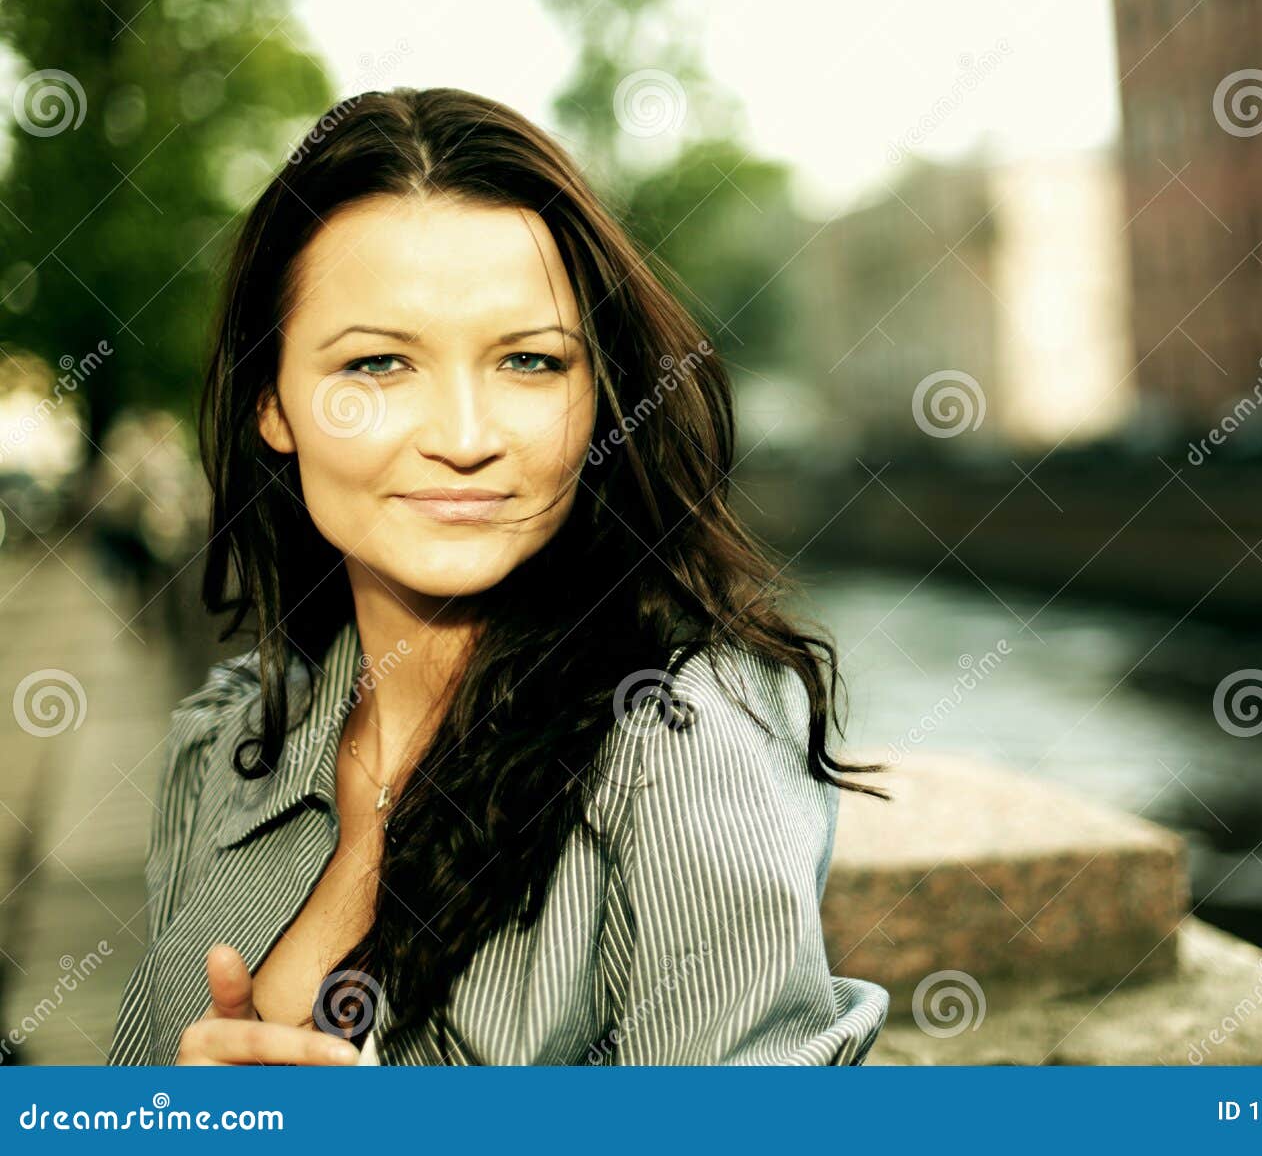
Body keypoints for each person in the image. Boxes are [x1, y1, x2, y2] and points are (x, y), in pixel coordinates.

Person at [106, 86, 889, 1066]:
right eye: (380, 364)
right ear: (273, 401)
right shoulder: (222, 748)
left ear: (599, 392)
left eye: (528, 361)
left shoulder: (684, 734)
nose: (467, 440)